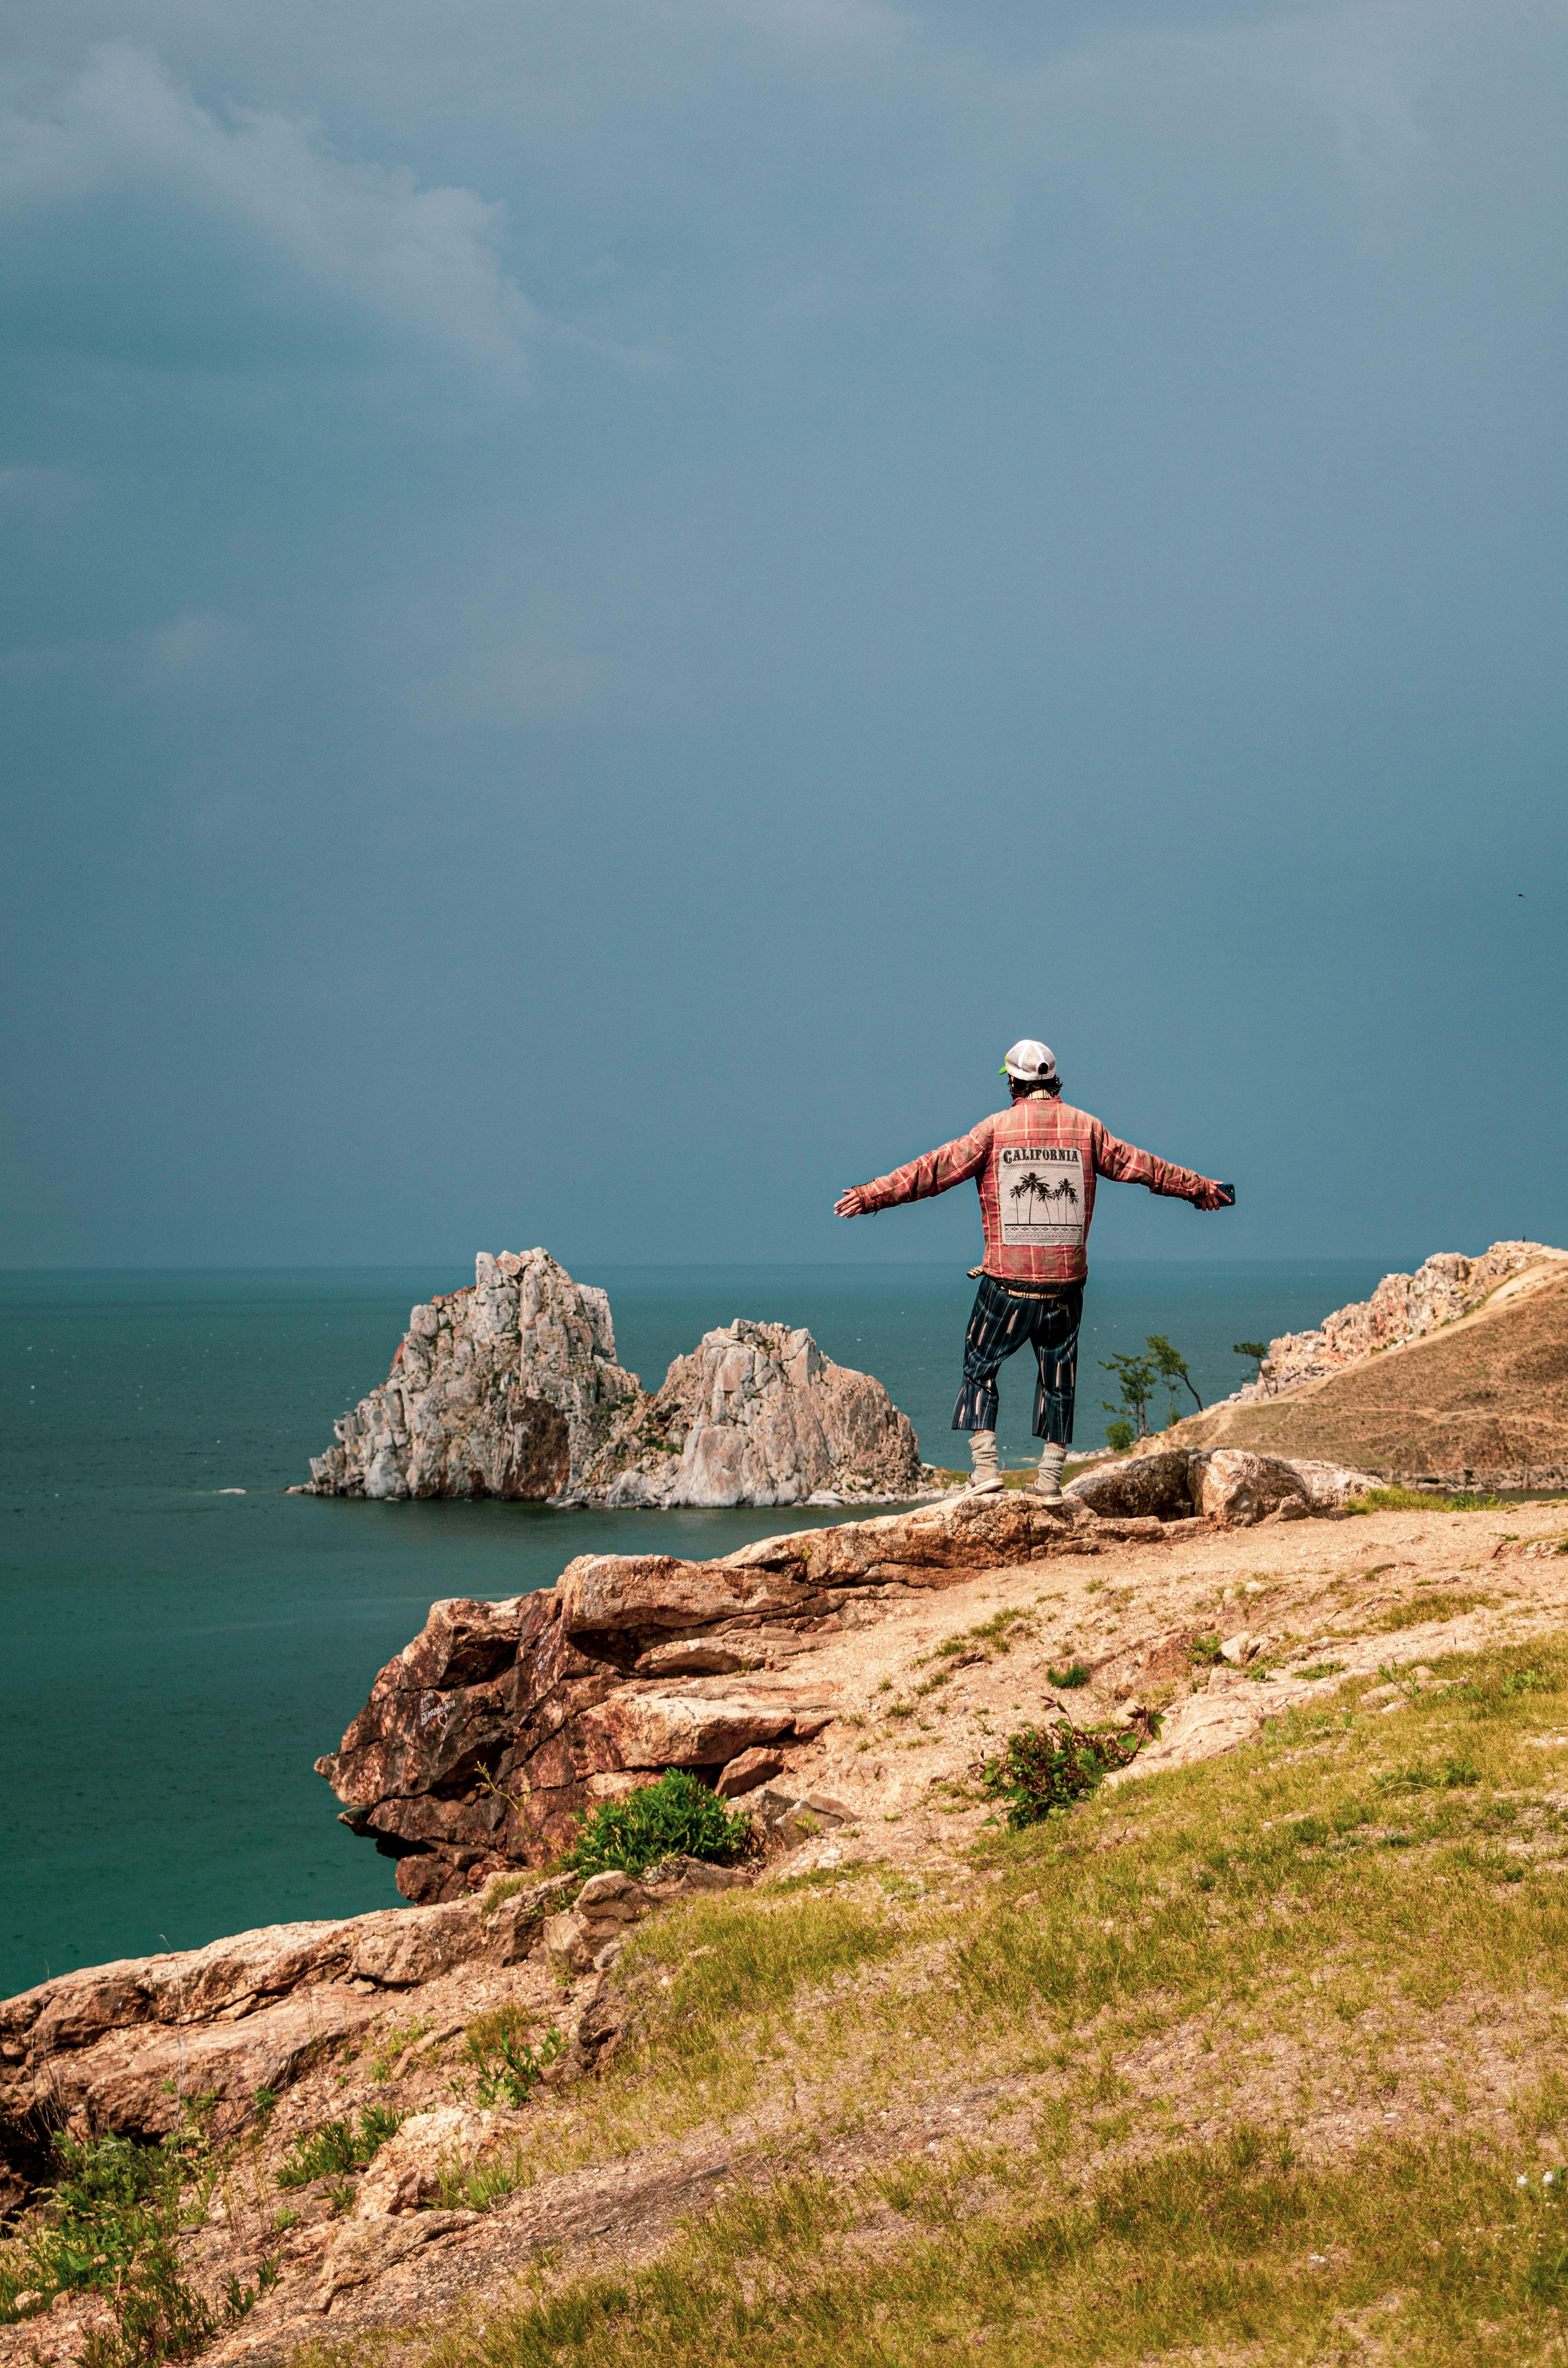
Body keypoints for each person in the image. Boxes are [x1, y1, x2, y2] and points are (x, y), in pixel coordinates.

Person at [833, 1040, 1234, 1500]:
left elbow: (933, 1170)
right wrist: (1199, 1187)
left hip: (1007, 1284)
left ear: (1013, 1082)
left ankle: (985, 1471)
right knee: (1058, 1379)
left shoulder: (994, 1131)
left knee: (979, 1366)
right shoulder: (1087, 1129)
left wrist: (870, 1196)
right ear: (1053, 1080)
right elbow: (1145, 1168)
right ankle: (1049, 1481)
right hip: (1066, 1288)